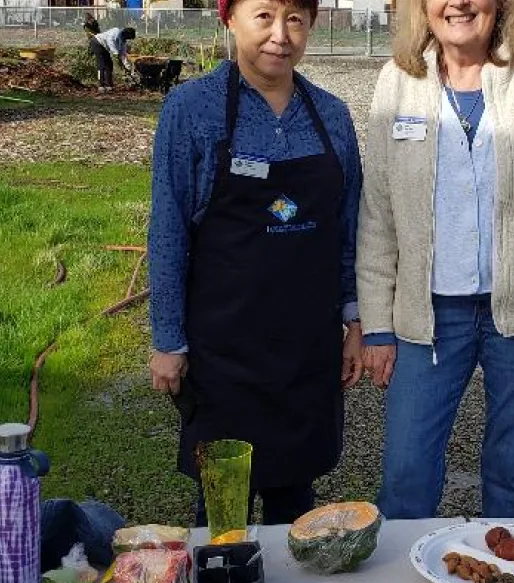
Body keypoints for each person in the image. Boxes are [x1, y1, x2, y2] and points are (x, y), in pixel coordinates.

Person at [357, 0, 514, 519]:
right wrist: (376, 326)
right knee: (405, 474)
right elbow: (378, 212)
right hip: (427, 320)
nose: (458, 3)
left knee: (512, 472)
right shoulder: (398, 81)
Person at [148, 0, 364, 527]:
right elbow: (169, 229)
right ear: (230, 19)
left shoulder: (331, 115)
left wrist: (355, 319)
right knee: (223, 504)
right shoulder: (191, 107)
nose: (280, 35)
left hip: (306, 350)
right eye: (263, 16)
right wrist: (168, 340)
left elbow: (349, 226)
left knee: (296, 501)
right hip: (224, 351)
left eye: (294, 18)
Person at [90, 26, 137, 92]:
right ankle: (101, 86)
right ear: (126, 34)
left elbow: (123, 54)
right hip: (97, 43)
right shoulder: (115, 31)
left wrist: (127, 67)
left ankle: (109, 86)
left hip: (105, 47)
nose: (127, 40)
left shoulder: (123, 41)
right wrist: (116, 53)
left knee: (109, 65)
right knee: (101, 65)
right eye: (128, 38)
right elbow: (110, 41)